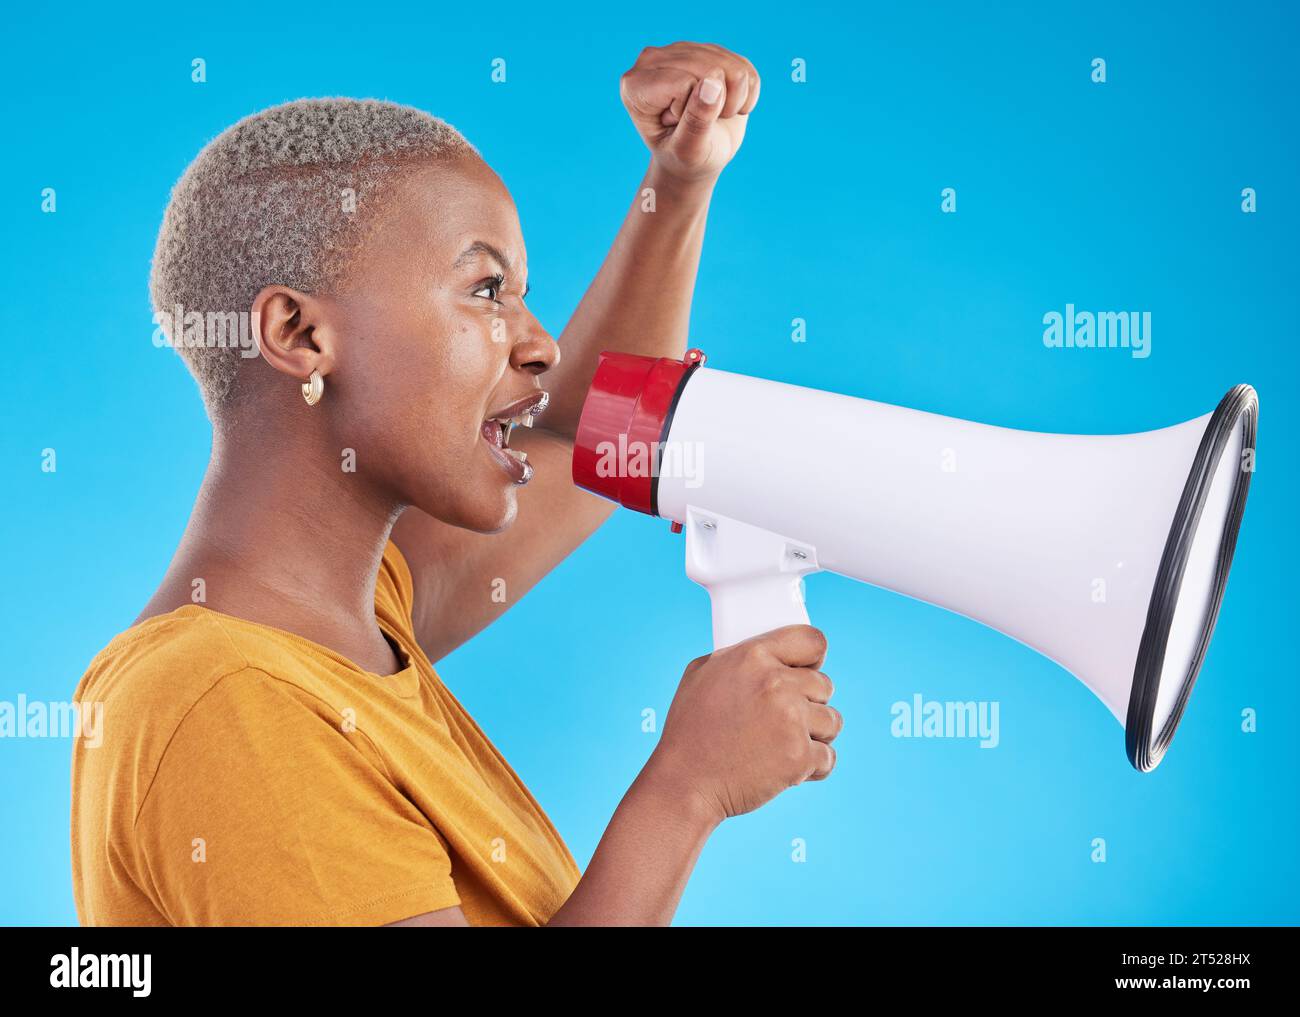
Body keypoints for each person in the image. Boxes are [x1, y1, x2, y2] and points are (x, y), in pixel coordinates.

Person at [70, 41, 841, 927]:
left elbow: (599, 435)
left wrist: (679, 179)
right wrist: (685, 789)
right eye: (485, 288)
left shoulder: (353, 621)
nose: (539, 342)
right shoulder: (226, 704)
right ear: (299, 333)